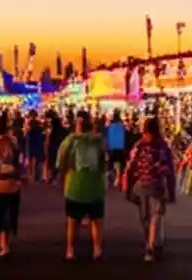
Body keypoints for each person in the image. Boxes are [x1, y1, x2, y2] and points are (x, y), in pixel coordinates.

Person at [123, 116, 177, 262]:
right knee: (156, 215)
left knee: (145, 217)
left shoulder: (139, 145)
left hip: (141, 184)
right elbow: (169, 169)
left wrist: (127, 186)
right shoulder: (162, 146)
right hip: (157, 184)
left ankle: (150, 242)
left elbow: (130, 166)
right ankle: (152, 244)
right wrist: (171, 190)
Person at [55, 111, 107, 261]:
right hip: (95, 185)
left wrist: (61, 176)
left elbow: (60, 161)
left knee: (73, 221)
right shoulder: (98, 141)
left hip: (74, 185)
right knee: (97, 220)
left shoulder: (70, 141)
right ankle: (97, 248)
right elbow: (104, 162)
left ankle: (70, 250)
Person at [0, 113, 24, 257]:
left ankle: (3, 244)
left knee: (0, 214)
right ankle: (8, 239)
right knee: (11, 212)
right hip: (13, 184)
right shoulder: (14, 143)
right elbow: (20, 162)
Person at [105, 112, 127, 187]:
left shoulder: (110, 125)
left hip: (112, 148)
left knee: (110, 164)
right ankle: (119, 179)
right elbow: (124, 137)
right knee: (121, 164)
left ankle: (111, 180)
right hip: (120, 148)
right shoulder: (122, 125)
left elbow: (107, 136)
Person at [23, 113, 46, 183]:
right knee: (37, 162)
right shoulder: (40, 131)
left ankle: (32, 176)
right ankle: (36, 176)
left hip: (31, 148)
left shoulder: (29, 132)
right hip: (38, 148)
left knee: (31, 161)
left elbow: (26, 140)